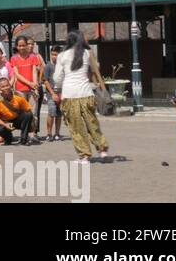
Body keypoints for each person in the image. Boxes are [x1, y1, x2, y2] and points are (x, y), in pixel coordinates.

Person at [55, 31, 109, 164]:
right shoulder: (87, 53)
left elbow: (57, 78)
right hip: (86, 93)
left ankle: (84, 156)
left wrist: (59, 87)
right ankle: (102, 150)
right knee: (92, 123)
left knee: (76, 127)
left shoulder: (62, 56)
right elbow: (97, 67)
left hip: (70, 94)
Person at [9, 36, 44, 137]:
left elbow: (34, 72)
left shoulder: (33, 57)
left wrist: (35, 85)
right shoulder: (14, 58)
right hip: (20, 90)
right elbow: (17, 74)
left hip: (32, 89)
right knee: (23, 113)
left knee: (34, 112)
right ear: (17, 46)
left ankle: (33, 134)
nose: (22, 47)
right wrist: (30, 83)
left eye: (23, 45)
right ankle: (24, 134)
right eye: (19, 46)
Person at [0, 77, 35, 145]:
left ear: (10, 85)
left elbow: (28, 110)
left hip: (17, 121)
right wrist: (5, 124)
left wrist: (32, 124)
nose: (6, 88)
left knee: (28, 114)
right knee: (0, 130)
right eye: (3, 86)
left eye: (7, 85)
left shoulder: (18, 96)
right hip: (6, 122)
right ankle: (8, 138)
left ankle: (24, 139)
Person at [42, 45, 64, 141]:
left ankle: (57, 133)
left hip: (61, 92)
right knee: (51, 112)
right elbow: (45, 81)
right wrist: (52, 93)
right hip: (51, 93)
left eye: (56, 55)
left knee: (59, 114)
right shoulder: (48, 66)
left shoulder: (63, 66)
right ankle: (49, 133)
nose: (54, 57)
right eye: (52, 54)